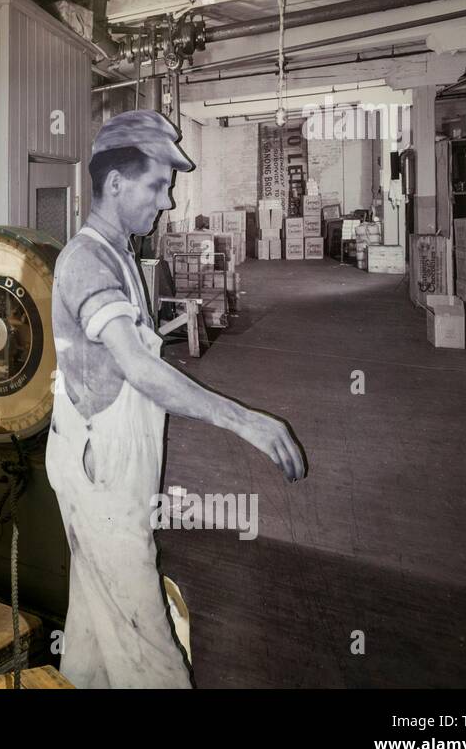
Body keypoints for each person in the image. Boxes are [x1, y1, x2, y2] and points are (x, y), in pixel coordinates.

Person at [48, 109, 306, 689]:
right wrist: (245, 421)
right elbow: (137, 366)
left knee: (93, 634)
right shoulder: (86, 261)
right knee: (148, 648)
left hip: (113, 469)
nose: (166, 201)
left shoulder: (119, 255)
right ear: (116, 184)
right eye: (157, 185)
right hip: (103, 476)